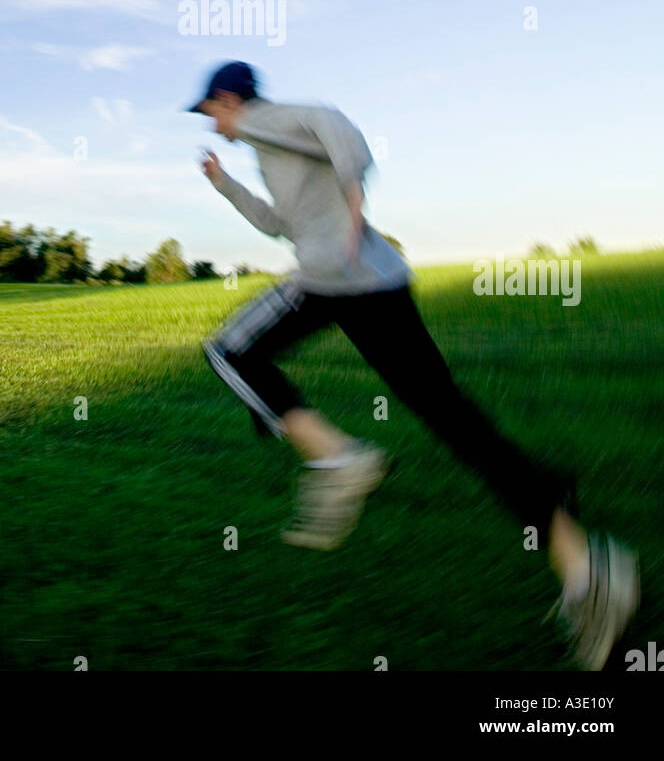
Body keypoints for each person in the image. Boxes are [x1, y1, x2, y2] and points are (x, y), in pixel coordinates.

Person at [185, 60, 640, 671]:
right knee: (453, 420)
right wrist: (224, 184)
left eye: (211, 113)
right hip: (372, 285)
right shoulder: (271, 147)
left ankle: (339, 458)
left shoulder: (269, 119)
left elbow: (335, 123)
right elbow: (279, 225)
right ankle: (588, 571)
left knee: (228, 351)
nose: (213, 127)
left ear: (227, 99)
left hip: (335, 283)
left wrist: (353, 194)